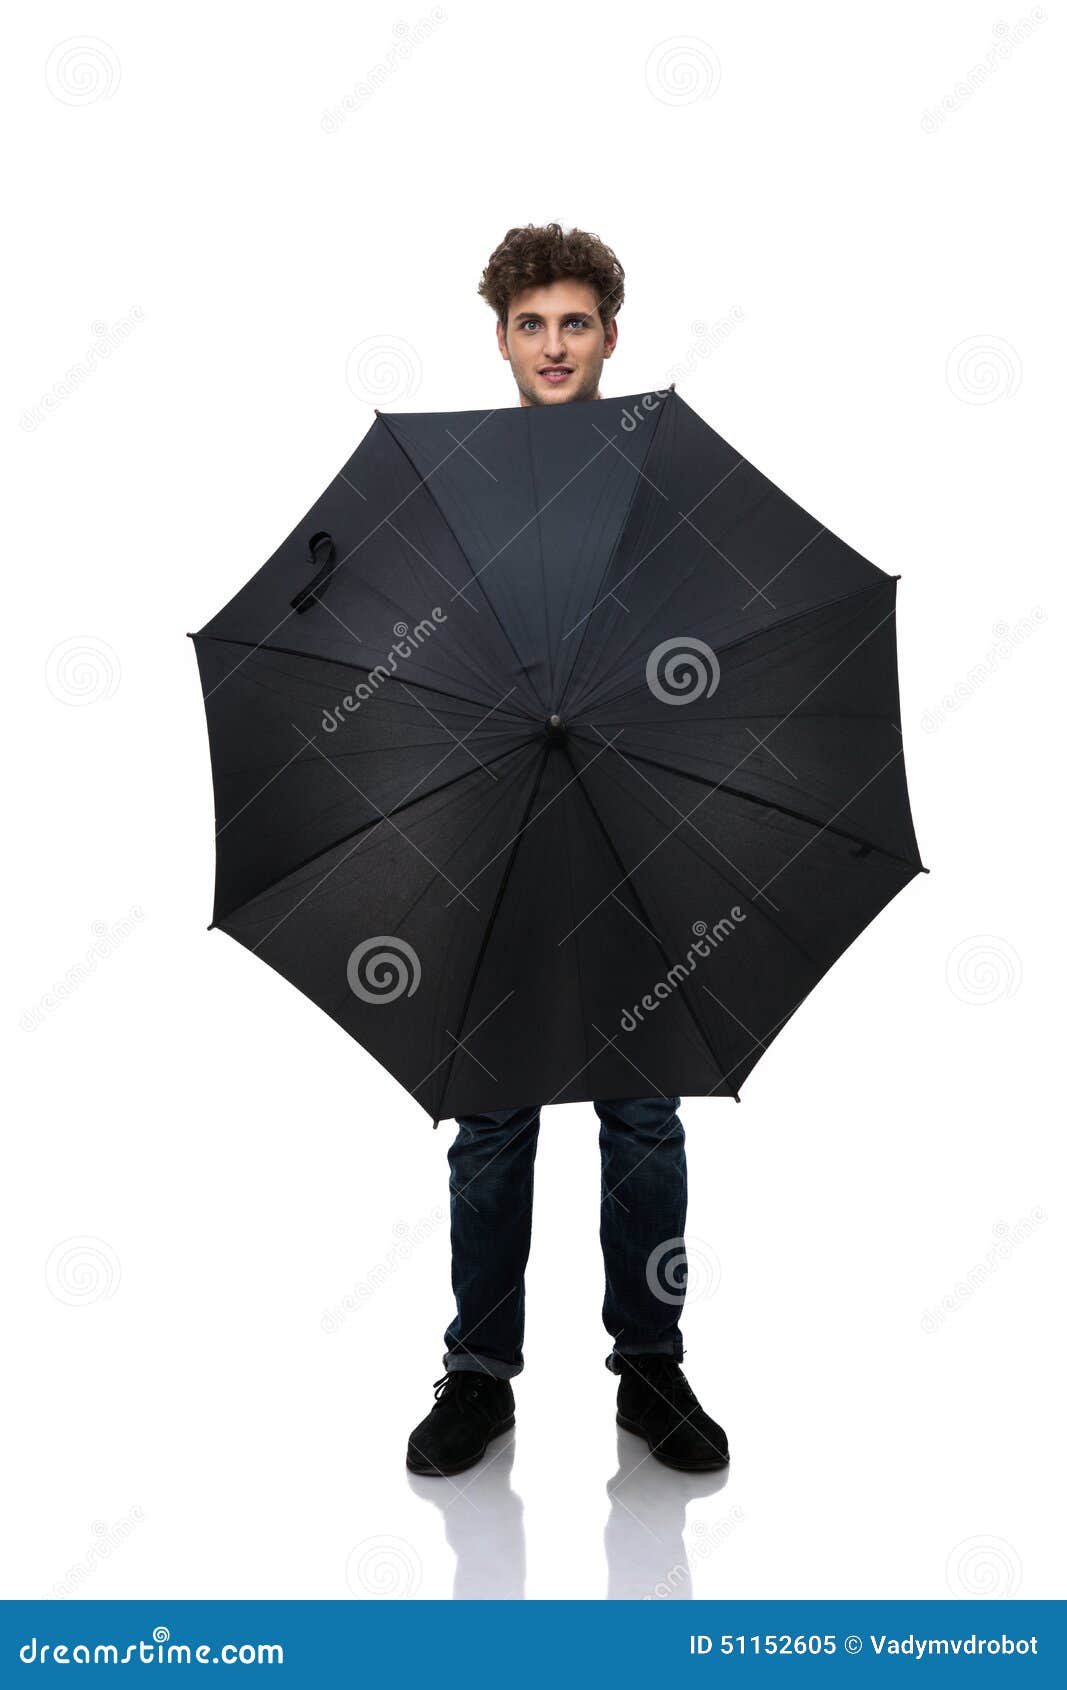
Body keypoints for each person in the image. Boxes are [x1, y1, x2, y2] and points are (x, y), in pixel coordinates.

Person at [406, 225, 729, 1479]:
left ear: (609, 334)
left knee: (642, 1116)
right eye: (530, 323)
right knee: (490, 1123)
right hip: (496, 829)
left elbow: (704, 626)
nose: (552, 344)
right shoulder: (457, 479)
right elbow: (425, 652)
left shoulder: (659, 470)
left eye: (574, 322)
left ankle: (650, 1363)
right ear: (498, 335)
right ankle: (476, 1373)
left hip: (632, 823)